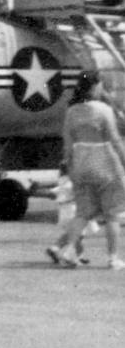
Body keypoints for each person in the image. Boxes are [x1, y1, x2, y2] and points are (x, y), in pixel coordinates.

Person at [48, 70, 125, 269]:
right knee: (112, 215)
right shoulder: (103, 110)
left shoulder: (72, 111)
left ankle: (69, 250)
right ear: (94, 86)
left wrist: (72, 169)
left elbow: (67, 145)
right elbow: (115, 139)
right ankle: (113, 258)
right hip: (105, 164)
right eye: (99, 85)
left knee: (82, 213)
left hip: (80, 165)